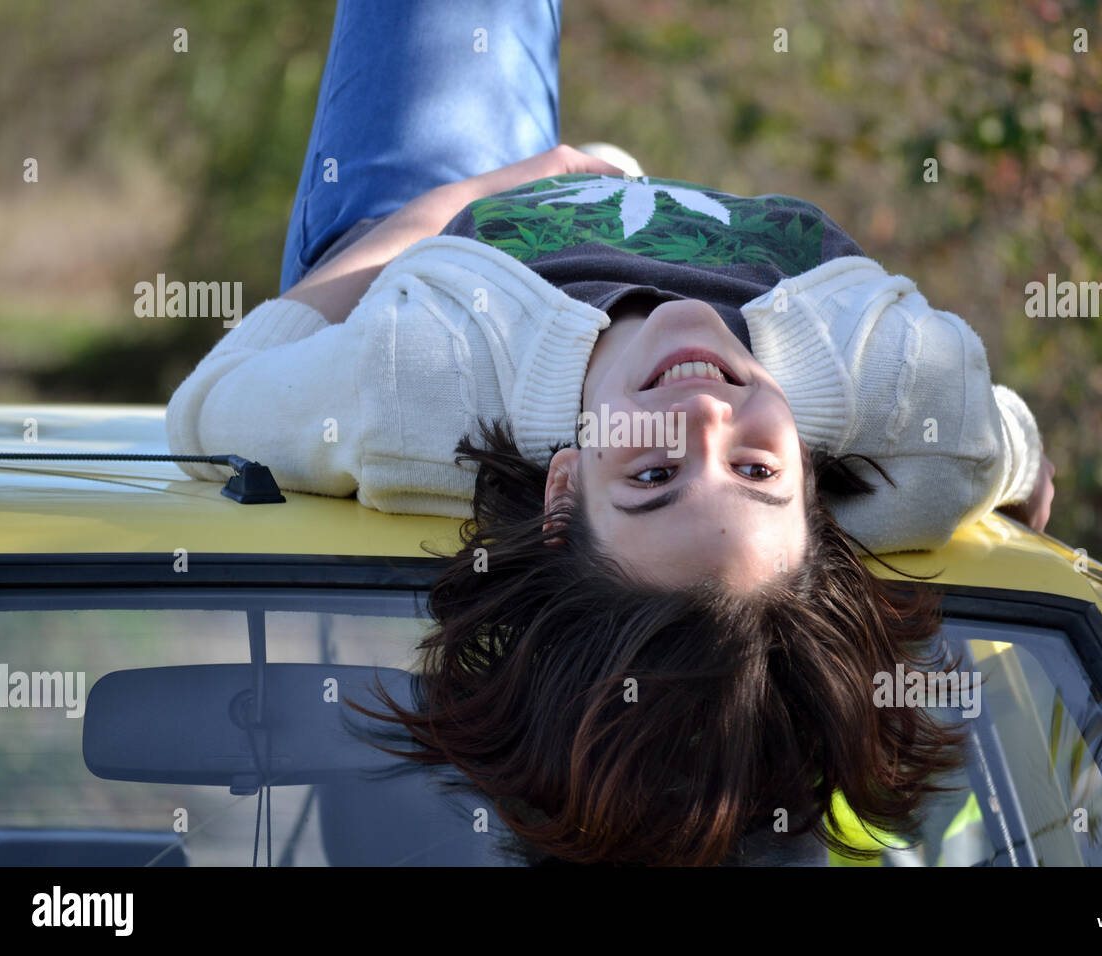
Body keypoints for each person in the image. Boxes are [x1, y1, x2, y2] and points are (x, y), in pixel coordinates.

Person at [165, 1, 1053, 865]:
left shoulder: (416, 391)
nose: (705, 420)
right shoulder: (919, 419)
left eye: (655, 475)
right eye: (754, 469)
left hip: (435, 208)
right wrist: (1026, 460)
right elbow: (1004, 447)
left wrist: (484, 191)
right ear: (817, 491)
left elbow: (211, 398)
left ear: (563, 490)